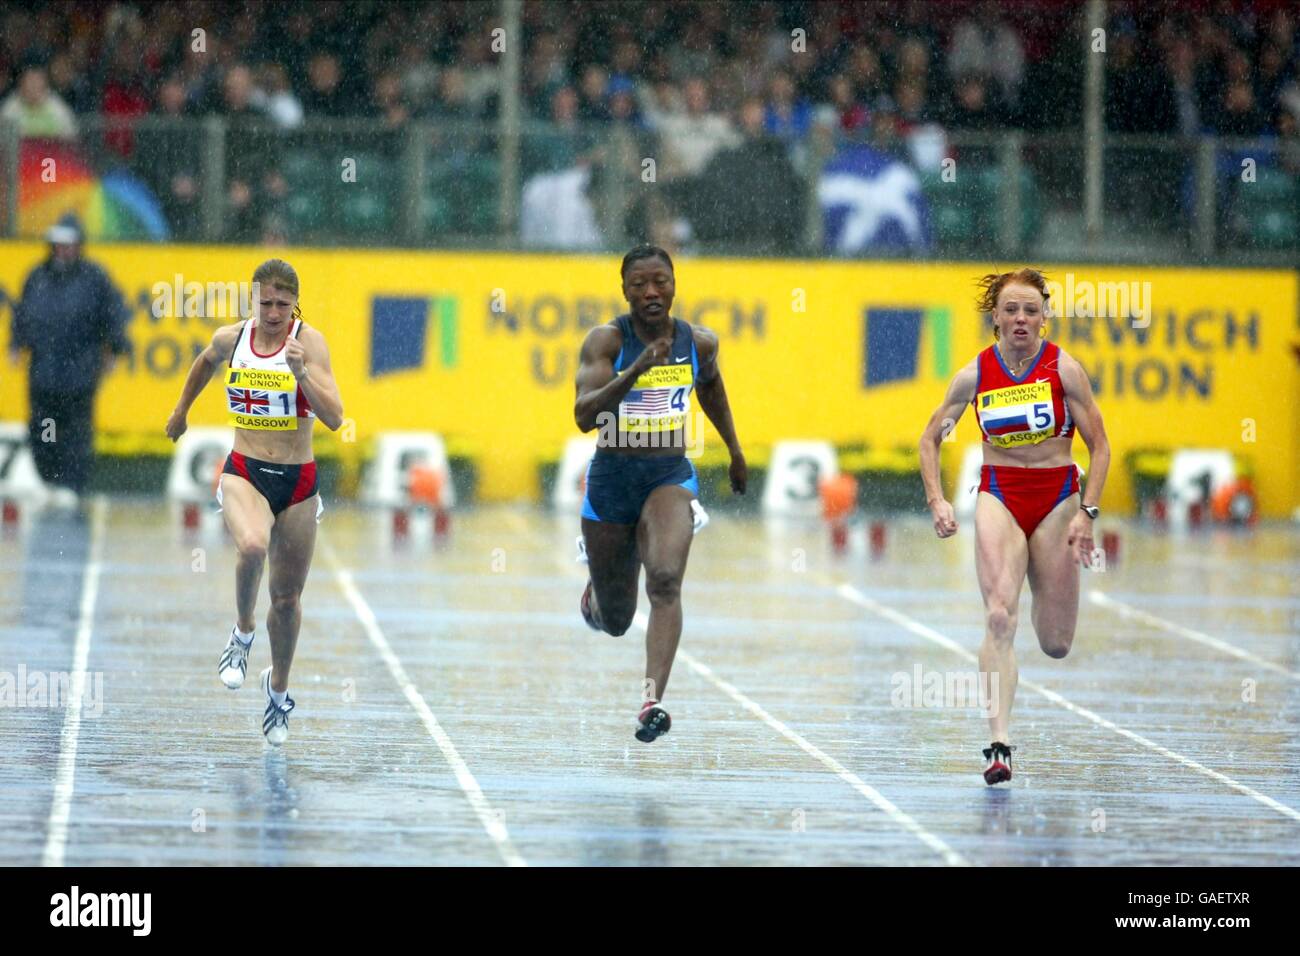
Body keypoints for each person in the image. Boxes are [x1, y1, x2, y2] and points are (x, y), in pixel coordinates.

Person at [918, 269, 1110, 784]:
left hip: (1056, 498)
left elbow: (1101, 446)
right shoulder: (975, 375)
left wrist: (1087, 514)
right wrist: (937, 500)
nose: (1020, 319)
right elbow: (930, 439)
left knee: (1055, 643)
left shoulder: (1064, 370)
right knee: (999, 615)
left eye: (1030, 310)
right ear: (995, 319)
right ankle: (998, 745)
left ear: (1044, 319)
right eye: (1010, 310)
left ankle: (1048, 602)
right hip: (1000, 493)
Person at [165, 259, 344, 745]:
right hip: (245, 469)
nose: (272, 313)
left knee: (287, 602)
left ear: (295, 305)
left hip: (299, 480)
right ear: (254, 299)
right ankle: (242, 633)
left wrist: (302, 374)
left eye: (282, 305)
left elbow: (334, 417)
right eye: (265, 302)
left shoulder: (310, 344)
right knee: (250, 547)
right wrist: (181, 412)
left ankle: (278, 690)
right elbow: (204, 362)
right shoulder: (233, 339)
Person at [573, 245, 746, 743]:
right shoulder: (606, 341)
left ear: (674, 284)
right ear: (624, 290)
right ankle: (596, 596)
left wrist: (734, 449)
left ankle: (652, 701)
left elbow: (711, 387)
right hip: (611, 482)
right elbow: (585, 417)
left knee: (666, 580)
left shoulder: (699, 342)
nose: (651, 293)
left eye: (661, 282)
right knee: (618, 621)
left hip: (668, 475)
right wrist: (635, 373)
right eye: (639, 285)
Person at [8, 214, 130, 507]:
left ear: (78, 246)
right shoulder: (37, 277)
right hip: (44, 375)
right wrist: (16, 344)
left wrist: (114, 348)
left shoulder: (93, 279)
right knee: (43, 430)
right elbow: (22, 315)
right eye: (58, 245)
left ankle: (72, 486)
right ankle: (47, 480)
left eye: (69, 245)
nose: (63, 251)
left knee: (77, 433)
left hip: (79, 374)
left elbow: (112, 315)